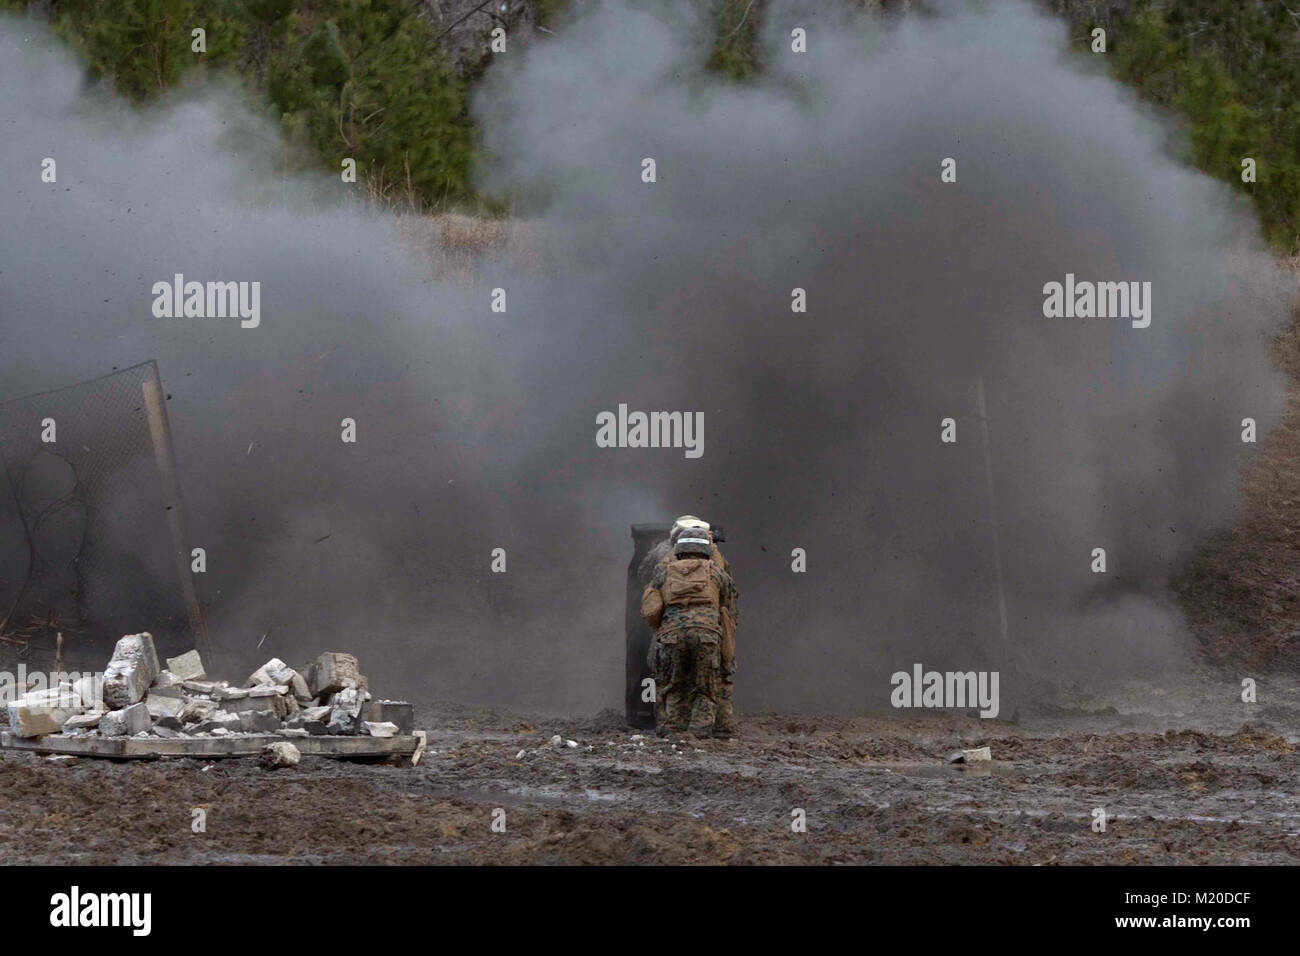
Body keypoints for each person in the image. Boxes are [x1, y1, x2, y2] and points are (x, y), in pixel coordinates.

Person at [640, 527, 737, 738]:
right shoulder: (718, 573)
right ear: (706, 549)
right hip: (707, 636)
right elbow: (729, 610)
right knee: (704, 688)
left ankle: (673, 732)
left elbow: (650, 607)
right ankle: (699, 735)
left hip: (671, 637)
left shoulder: (663, 572)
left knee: (674, 686)